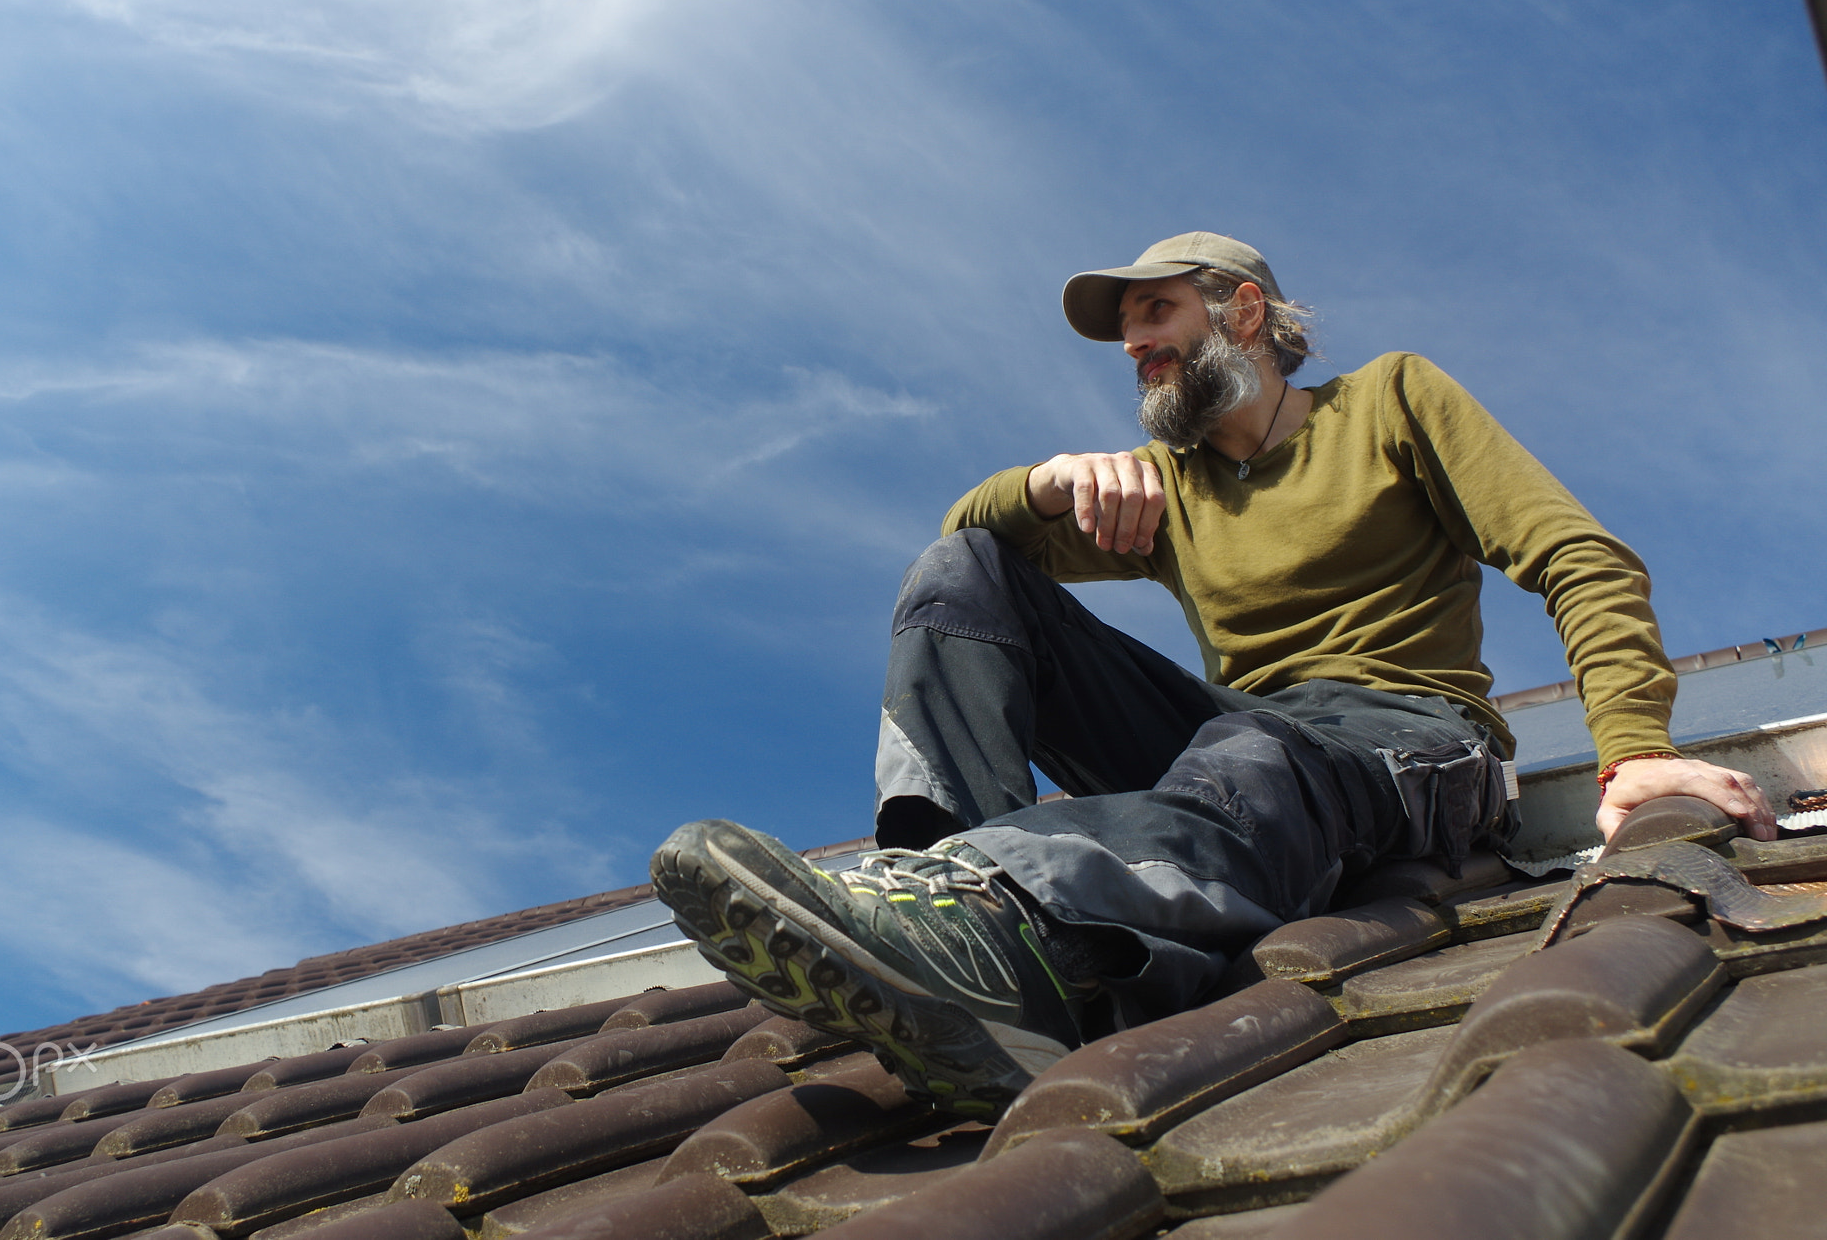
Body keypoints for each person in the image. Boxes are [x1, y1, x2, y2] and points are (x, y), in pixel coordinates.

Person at [650, 231, 1775, 1120]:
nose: (1133, 345)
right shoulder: (1165, 482)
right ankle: (940, 911)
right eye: (1126, 330)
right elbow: (967, 543)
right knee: (960, 572)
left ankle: (1026, 923)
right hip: (1244, 738)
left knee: (1260, 744)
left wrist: (1633, 746)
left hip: (1407, 740)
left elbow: (1575, 557)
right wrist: (1046, 482)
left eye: (1154, 313)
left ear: (1243, 310)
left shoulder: (1385, 400)